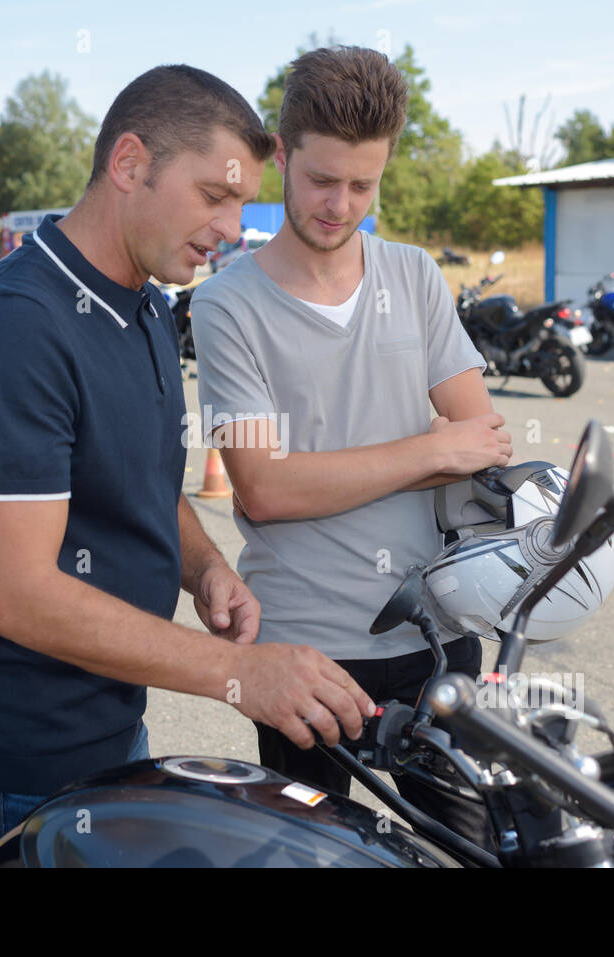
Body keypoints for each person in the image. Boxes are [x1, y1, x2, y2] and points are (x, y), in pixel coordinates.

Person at [0, 64, 377, 869]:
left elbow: (144, 480)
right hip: (19, 750)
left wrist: (204, 568)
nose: (232, 227)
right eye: (214, 196)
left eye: (239, 203)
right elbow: (21, 597)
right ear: (129, 164)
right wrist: (241, 675)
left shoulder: (148, 303)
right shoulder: (10, 329)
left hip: (108, 719)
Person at [190, 46, 512, 851]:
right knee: (317, 856)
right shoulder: (229, 306)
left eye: (362, 186)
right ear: (280, 157)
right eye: (321, 180)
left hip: (437, 638)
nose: (339, 205)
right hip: (304, 654)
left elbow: (486, 439)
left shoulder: (415, 276)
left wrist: (453, 449)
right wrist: (433, 450)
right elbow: (264, 487)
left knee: (473, 848)